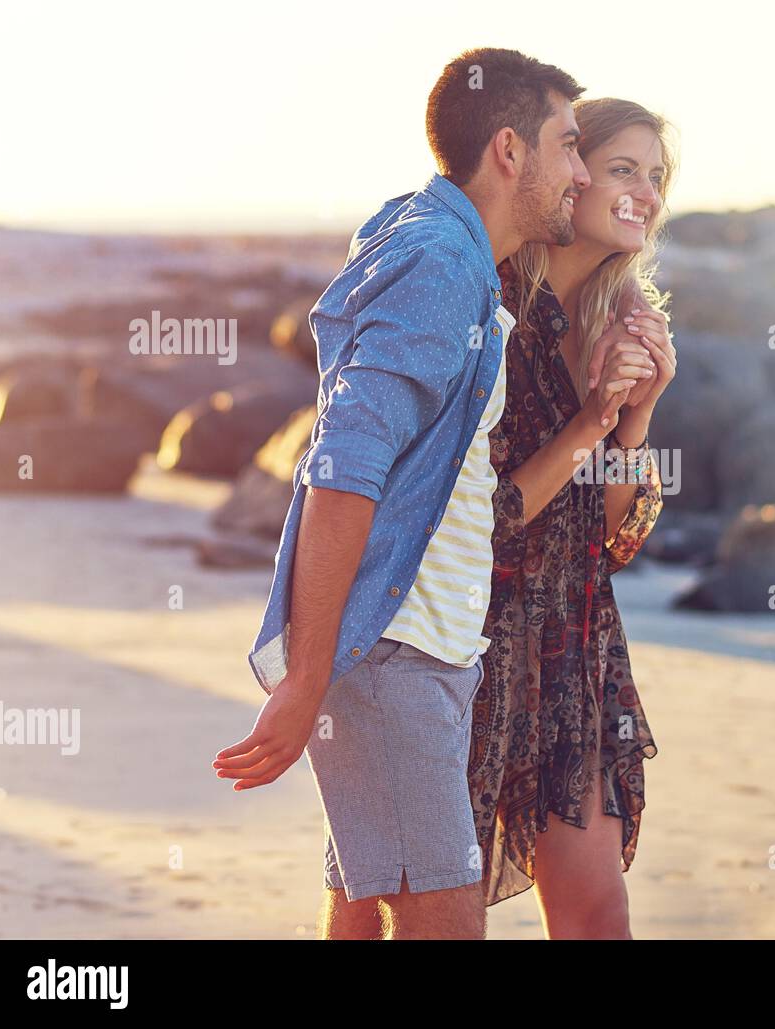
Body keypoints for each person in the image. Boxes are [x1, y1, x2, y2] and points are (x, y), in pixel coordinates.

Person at [212, 47, 603, 940]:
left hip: (429, 651)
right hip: (395, 649)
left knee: (361, 915)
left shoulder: (449, 256)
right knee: (444, 921)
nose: (580, 171)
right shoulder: (437, 264)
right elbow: (342, 468)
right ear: (510, 151)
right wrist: (307, 677)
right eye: (569, 145)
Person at [470, 97, 678, 938]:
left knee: (597, 909)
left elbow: (612, 541)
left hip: (570, 649)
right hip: (466, 644)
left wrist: (637, 416)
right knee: (396, 907)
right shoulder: (490, 307)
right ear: (572, 170)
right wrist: (591, 418)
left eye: (658, 177)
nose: (645, 193)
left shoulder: (620, 319)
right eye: (624, 168)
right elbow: (485, 522)